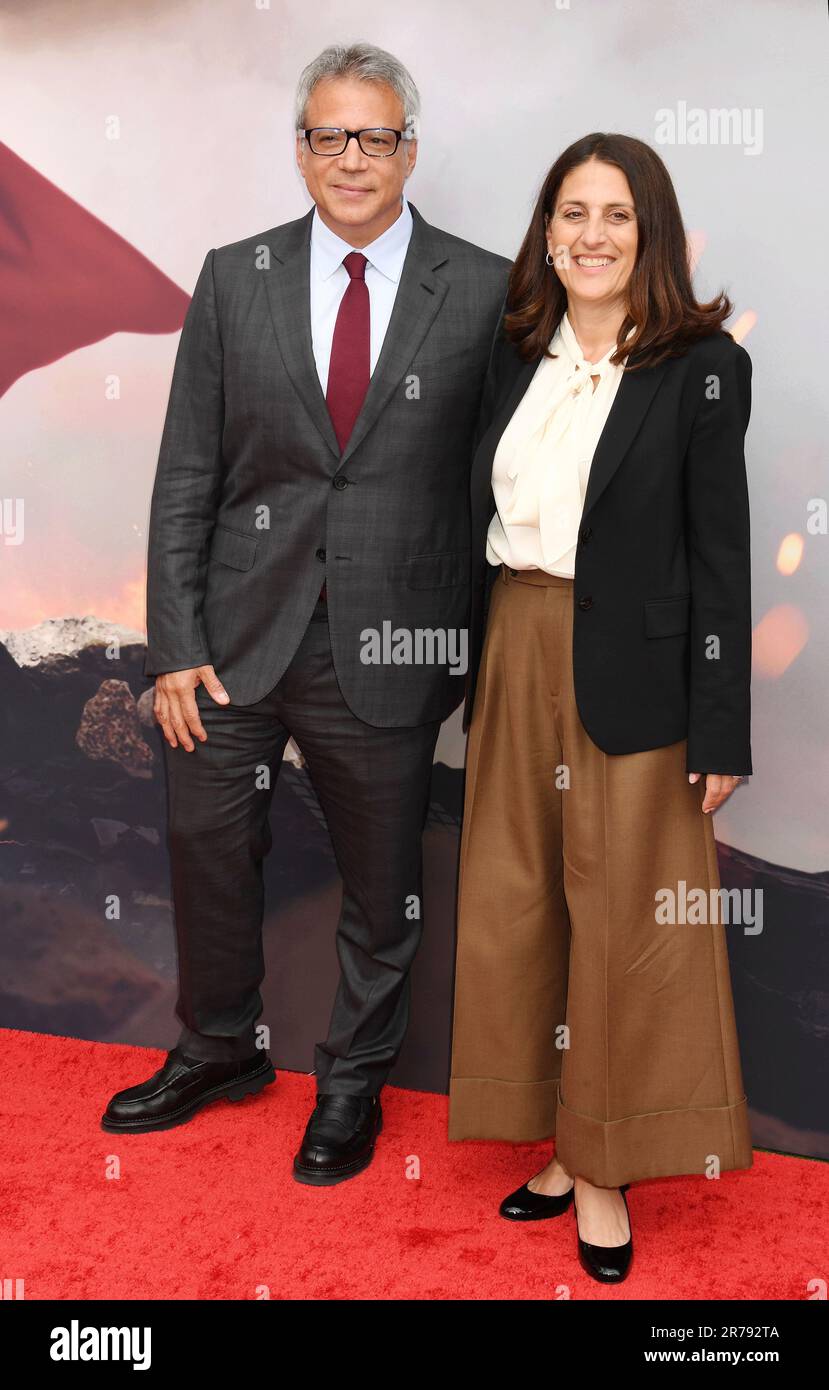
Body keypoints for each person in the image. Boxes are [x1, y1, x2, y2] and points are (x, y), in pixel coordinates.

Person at [102, 43, 510, 1187]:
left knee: (383, 886)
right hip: (233, 639)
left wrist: (478, 649)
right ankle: (219, 1046)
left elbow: (504, 474)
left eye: (373, 136)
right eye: (327, 136)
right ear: (300, 149)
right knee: (204, 845)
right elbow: (188, 474)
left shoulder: (484, 288)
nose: (351, 159)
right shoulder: (236, 277)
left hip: (393, 646)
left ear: (408, 149)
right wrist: (174, 646)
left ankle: (349, 1085)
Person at [448, 133, 753, 1282]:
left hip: (638, 670)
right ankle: (561, 1142)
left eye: (615, 215)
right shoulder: (512, 348)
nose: (589, 235)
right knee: (519, 902)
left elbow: (721, 558)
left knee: (625, 920)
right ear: (546, 232)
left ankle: (606, 1170)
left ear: (651, 232)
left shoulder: (702, 366)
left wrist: (721, 724)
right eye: (569, 213)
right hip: (517, 644)